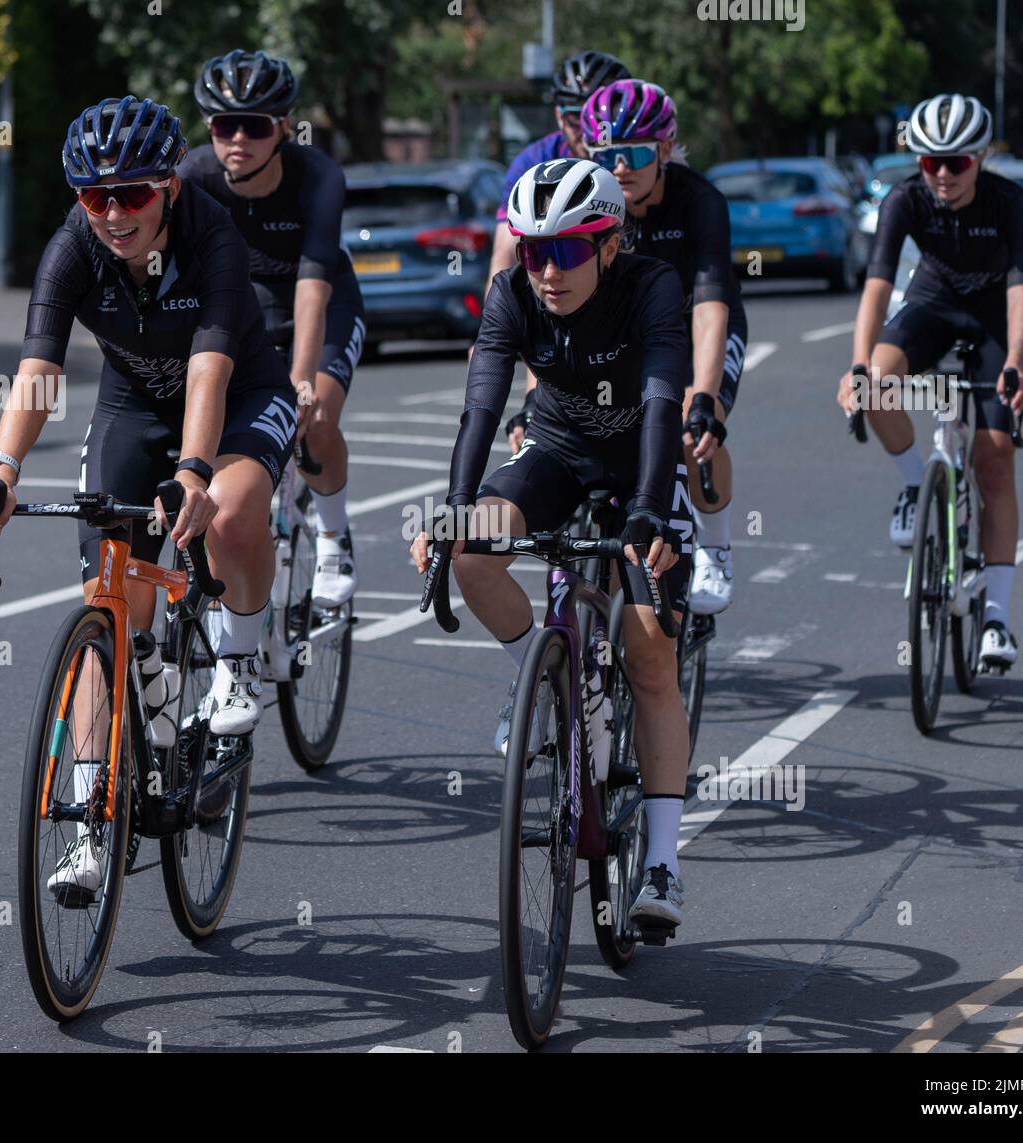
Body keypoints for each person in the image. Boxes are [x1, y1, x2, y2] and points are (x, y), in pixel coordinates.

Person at [0, 96, 298, 898]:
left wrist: (193, 470)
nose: (113, 214)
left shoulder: (211, 233)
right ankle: (84, 822)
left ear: (170, 188)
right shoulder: (74, 245)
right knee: (107, 604)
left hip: (240, 393)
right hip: (132, 404)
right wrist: (2, 468)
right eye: (94, 197)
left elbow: (211, 370)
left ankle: (240, 659)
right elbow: (39, 372)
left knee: (234, 505)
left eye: (133, 195)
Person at [410, 158, 695, 931]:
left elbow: (666, 402)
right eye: (533, 250)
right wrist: (456, 510)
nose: (547, 270)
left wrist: (648, 513)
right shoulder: (511, 293)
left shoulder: (652, 287)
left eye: (567, 251)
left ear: (609, 246)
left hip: (644, 462)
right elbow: (482, 404)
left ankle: (664, 861)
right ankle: (546, 677)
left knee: (647, 657)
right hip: (560, 453)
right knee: (474, 548)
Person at [836, 93, 1023, 670]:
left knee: (995, 458)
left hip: (995, 316)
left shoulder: (1014, 203)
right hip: (932, 304)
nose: (943, 175)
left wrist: (1017, 363)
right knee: (876, 382)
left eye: (957, 163)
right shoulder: (906, 199)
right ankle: (913, 485)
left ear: (981, 158)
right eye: (930, 163)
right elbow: (876, 286)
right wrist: (856, 365)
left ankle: (996, 617)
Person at [180, 49, 365, 608]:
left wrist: (302, 378)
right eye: (224, 125)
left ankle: (335, 532)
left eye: (255, 126)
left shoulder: (318, 176)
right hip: (242, 309)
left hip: (323, 302)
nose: (238, 139)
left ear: (283, 127)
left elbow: (313, 282)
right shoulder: (192, 175)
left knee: (317, 416)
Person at [578, 78, 747, 614]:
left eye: (635, 154)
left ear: (666, 150)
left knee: (693, 425)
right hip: (630, 332)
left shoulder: (700, 202)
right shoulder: (591, 202)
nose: (620, 167)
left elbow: (711, 302)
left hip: (698, 321)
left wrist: (704, 396)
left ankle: (715, 545)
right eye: (607, 155)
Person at [482, 51, 631, 296]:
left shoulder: (635, 162)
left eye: (600, 117)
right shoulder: (533, 162)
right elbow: (505, 257)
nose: (588, 130)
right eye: (576, 116)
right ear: (559, 116)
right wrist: (494, 327)